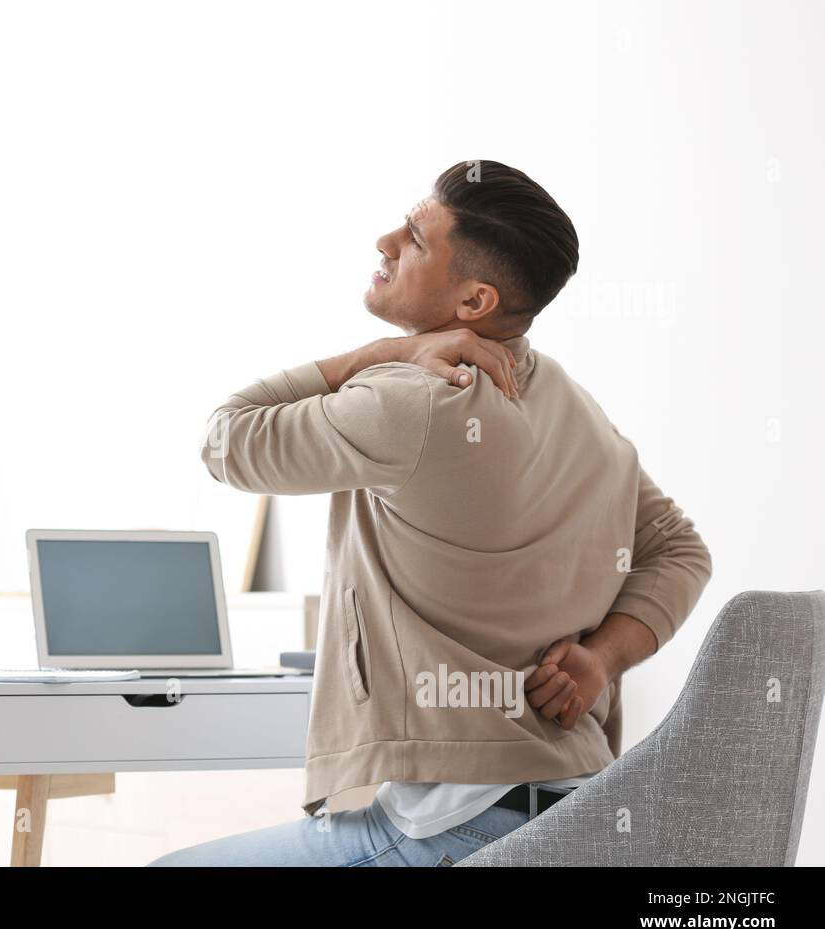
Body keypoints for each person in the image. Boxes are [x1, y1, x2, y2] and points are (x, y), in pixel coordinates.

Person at [149, 160, 711, 867]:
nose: (385, 241)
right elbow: (680, 547)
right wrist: (602, 659)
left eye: (414, 239)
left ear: (474, 301)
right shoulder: (572, 403)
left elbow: (225, 441)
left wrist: (388, 352)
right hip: (576, 815)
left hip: (458, 830)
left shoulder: (415, 401)